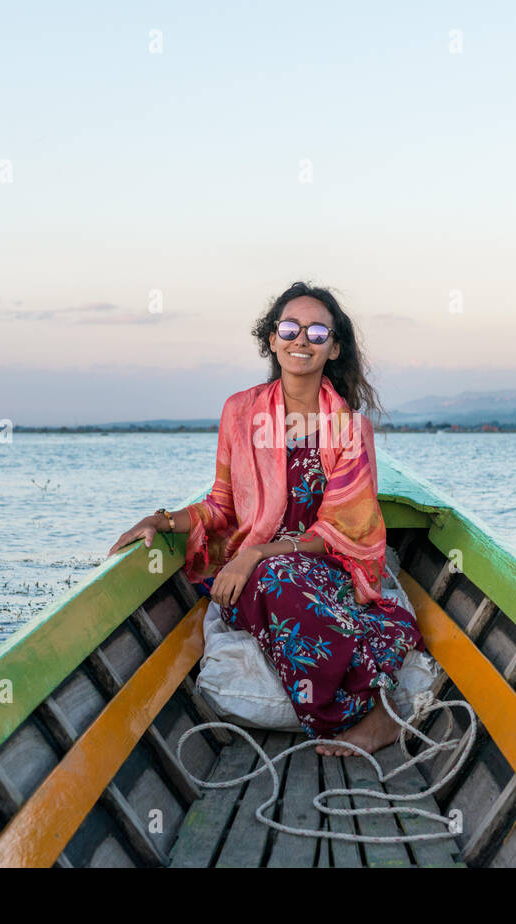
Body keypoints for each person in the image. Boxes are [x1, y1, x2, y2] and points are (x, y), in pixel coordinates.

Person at [109, 281, 427, 756]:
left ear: (334, 347)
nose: (302, 339)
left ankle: (375, 717)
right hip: (256, 574)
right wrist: (160, 521)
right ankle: (366, 707)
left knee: (277, 577)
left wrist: (256, 552)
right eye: (290, 328)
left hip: (323, 565)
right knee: (270, 579)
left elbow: (343, 531)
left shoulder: (348, 428)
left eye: (318, 331)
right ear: (272, 339)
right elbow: (220, 506)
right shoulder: (239, 412)